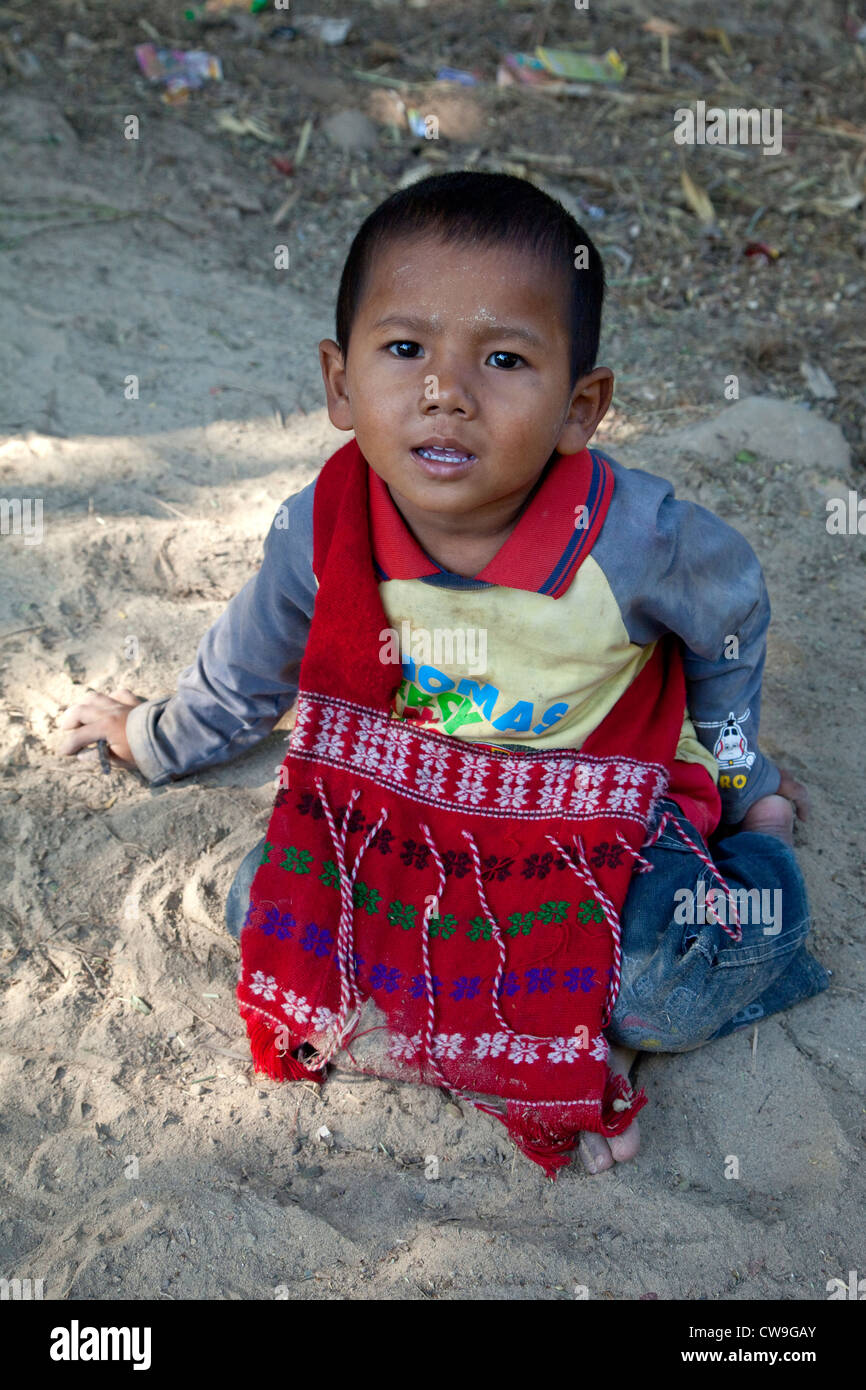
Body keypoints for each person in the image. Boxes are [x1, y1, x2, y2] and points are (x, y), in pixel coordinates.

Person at [58, 172, 829, 1177]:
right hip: (409, 822)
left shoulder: (638, 540)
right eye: (404, 348)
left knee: (659, 983)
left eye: (503, 358)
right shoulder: (323, 528)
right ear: (340, 383)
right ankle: (529, 1044)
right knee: (265, 909)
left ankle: (756, 865)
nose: (445, 391)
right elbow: (249, 666)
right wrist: (155, 735)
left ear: (577, 405)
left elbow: (728, 619)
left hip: (595, 826)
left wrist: (737, 779)